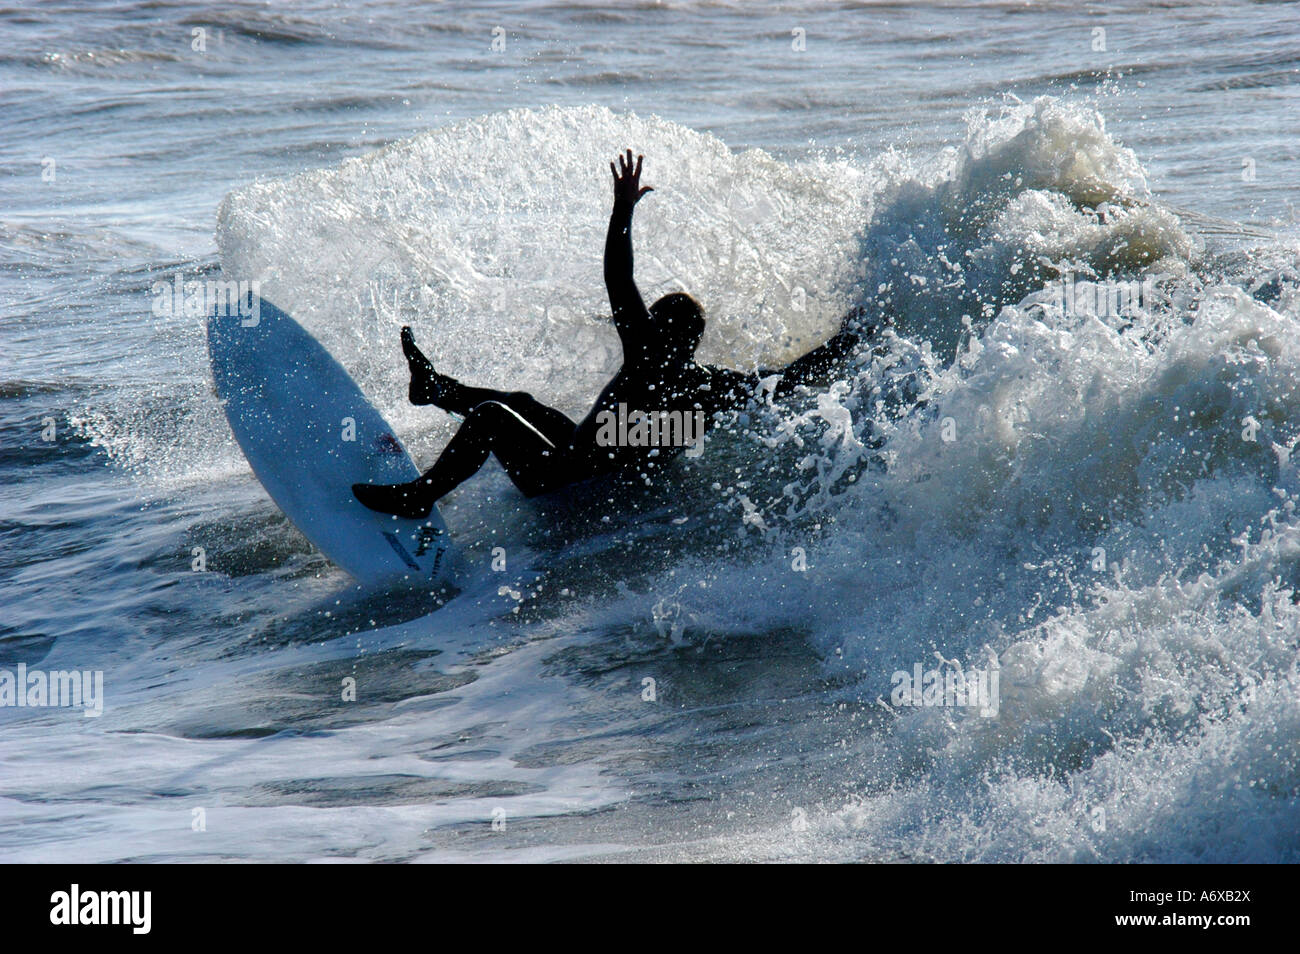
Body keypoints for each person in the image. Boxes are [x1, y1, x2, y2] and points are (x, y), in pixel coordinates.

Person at [352, 150, 865, 519]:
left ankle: (420, 496)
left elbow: (619, 279)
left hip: (564, 484)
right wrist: (848, 339)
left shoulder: (646, 356)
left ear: (660, 332)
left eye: (651, 323)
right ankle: (437, 391)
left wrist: (623, 211)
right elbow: (787, 379)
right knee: (524, 405)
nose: (639, 326)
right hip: (600, 479)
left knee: (492, 418)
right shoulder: (708, 385)